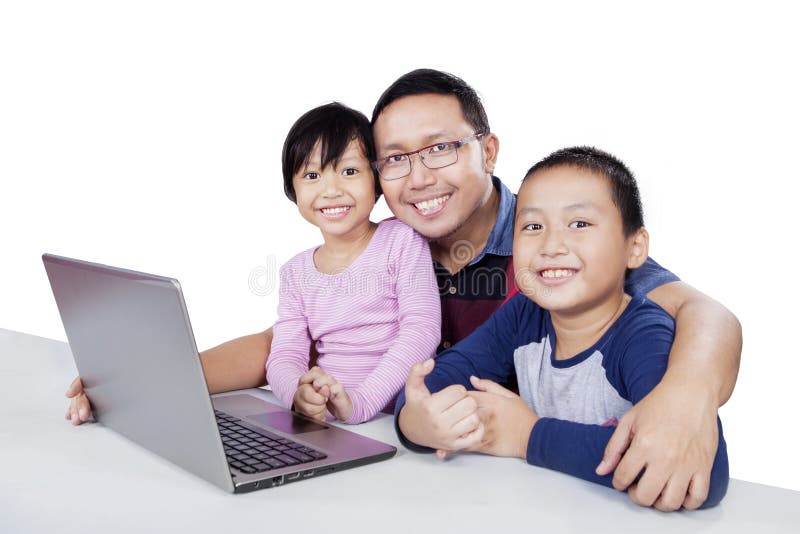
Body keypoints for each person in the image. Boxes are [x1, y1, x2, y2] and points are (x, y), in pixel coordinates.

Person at [66, 69, 742, 511]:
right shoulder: (391, 243)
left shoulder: (549, 248)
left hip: (549, 488)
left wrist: (687, 395)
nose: (418, 177)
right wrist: (149, 382)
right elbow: (294, 335)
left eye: (441, 149)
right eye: (394, 159)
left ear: (489, 149)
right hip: (428, 481)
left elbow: (700, 312)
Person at [394, 146, 729, 509]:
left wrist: (526, 436)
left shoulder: (643, 335)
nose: (551, 245)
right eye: (533, 226)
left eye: (580, 224)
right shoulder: (525, 314)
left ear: (634, 248)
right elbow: (436, 381)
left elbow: (694, 473)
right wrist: (418, 422)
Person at [265, 102, 440, 424]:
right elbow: (285, 353)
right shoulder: (295, 272)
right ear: (292, 188)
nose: (331, 190)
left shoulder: (401, 240)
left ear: (376, 181)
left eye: (349, 171)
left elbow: (422, 329)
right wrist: (297, 394)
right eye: (312, 175)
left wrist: (359, 403)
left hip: (390, 418)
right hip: (329, 420)